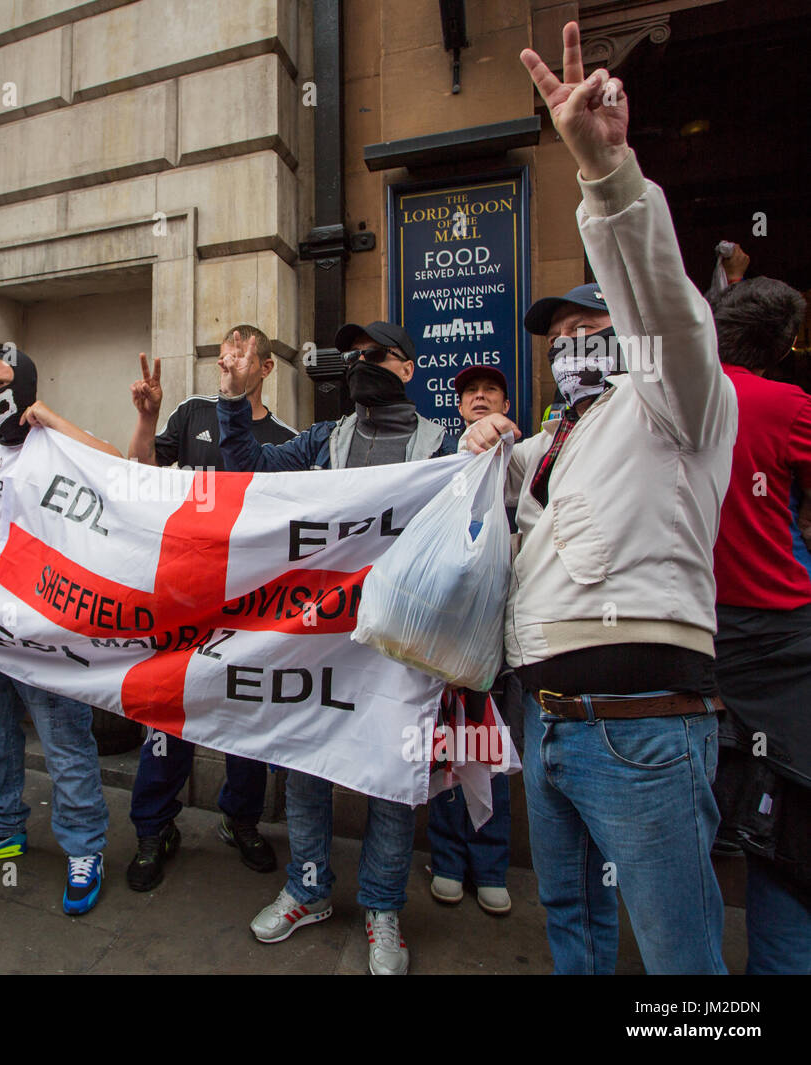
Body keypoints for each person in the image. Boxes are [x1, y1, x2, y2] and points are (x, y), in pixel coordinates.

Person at [461, 22, 737, 974]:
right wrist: (474, 450)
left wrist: (607, 176)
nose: (572, 342)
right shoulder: (552, 441)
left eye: (593, 325)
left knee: (679, 958)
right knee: (571, 923)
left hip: (644, 727)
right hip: (550, 724)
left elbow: (663, 310)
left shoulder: (678, 401)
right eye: (557, 332)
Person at [217, 320, 455, 975]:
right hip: (322, 644)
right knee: (306, 764)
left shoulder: (446, 447)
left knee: (392, 782)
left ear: (407, 368)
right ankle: (309, 888)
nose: (360, 362)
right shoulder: (326, 440)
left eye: (375, 354)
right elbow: (248, 475)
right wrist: (235, 402)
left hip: (402, 648)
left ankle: (383, 908)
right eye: (353, 354)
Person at [0, 348, 116, 916]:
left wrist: (51, 418)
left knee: (65, 745)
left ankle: (85, 849)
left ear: (28, 387)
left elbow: (118, 471)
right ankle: (2, 827)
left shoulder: (57, 447)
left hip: (45, 630)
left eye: (2, 383)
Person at [124, 325, 295, 891]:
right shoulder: (193, 412)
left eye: (242, 357)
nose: (229, 364)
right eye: (223, 355)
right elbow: (141, 476)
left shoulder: (282, 439)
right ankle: (154, 827)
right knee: (168, 709)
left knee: (245, 715)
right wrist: (147, 420)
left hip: (248, 607)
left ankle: (241, 820)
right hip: (180, 598)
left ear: (266, 368)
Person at [707, 276, 811, 974]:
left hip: (688, 634)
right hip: (781, 639)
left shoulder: (662, 403)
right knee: (791, 834)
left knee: (684, 831)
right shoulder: (788, 403)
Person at [427, 366, 513, 915]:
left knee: (487, 741)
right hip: (444, 631)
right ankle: (446, 859)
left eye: (489, 392)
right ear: (458, 408)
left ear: (506, 402)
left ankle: (491, 865)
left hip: (499, 634)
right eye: (468, 394)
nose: (478, 398)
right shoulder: (442, 462)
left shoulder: (524, 456)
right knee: (442, 746)